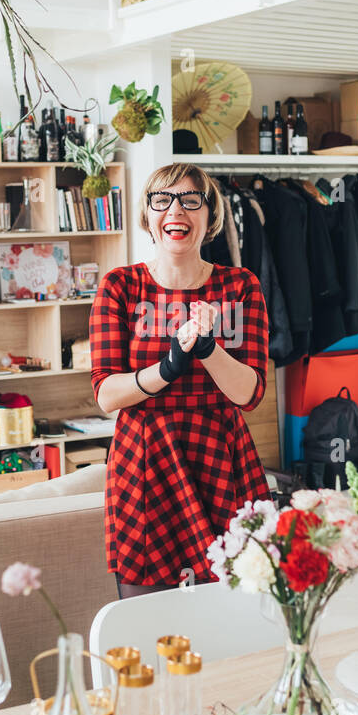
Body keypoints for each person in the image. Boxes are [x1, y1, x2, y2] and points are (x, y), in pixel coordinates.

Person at [89, 163, 271, 599]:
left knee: (235, 607)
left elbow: (250, 392)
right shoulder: (121, 286)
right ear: (148, 216)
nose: (177, 210)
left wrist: (208, 349)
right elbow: (106, 394)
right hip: (145, 460)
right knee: (145, 616)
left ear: (210, 217)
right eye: (163, 200)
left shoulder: (240, 287)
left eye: (192, 201)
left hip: (222, 457)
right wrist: (168, 368)